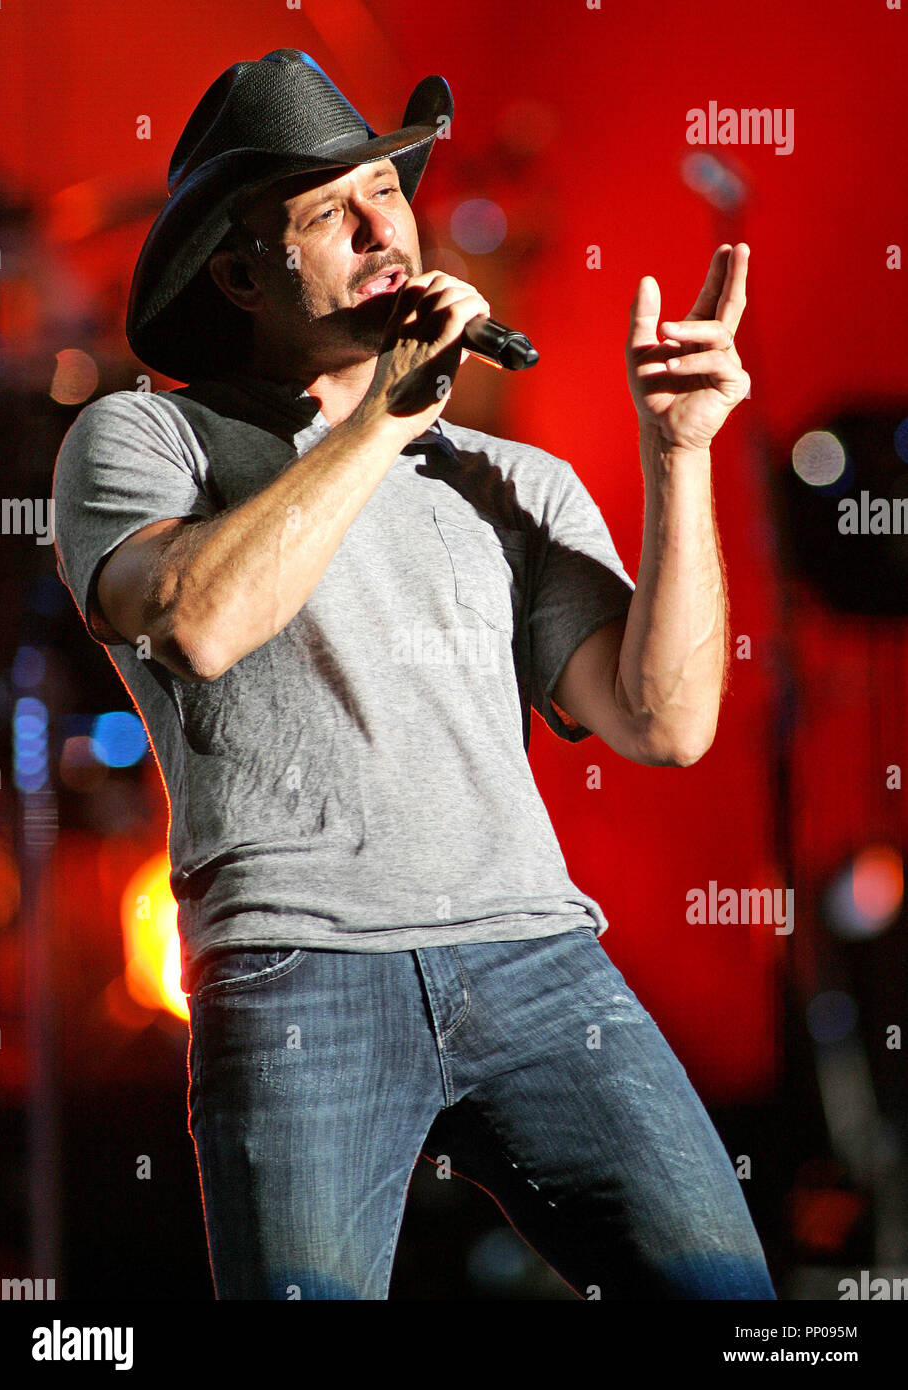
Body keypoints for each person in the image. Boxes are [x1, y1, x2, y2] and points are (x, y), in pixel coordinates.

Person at [52, 49, 774, 1301]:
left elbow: (663, 720)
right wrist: (381, 416)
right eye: (329, 210)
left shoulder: (510, 479)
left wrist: (678, 454)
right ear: (238, 272)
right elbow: (198, 621)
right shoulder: (147, 436)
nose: (381, 227)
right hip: (298, 967)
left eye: (386, 190)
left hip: (536, 958)